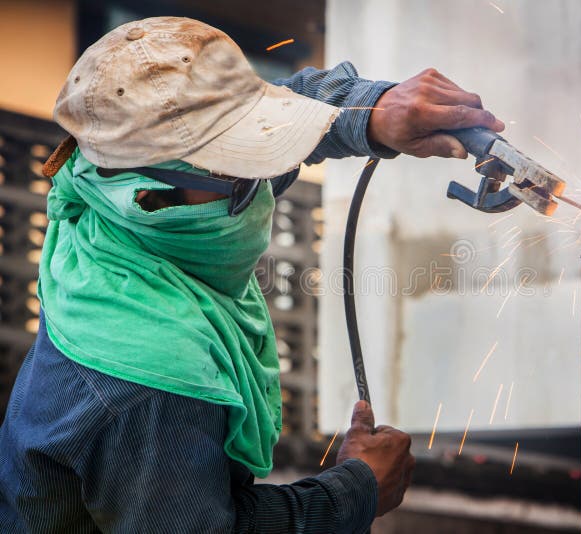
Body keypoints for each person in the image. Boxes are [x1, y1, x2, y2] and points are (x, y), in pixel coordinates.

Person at [0, 16, 504, 533]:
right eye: (241, 178)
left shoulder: (104, 197)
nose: (261, 187)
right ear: (152, 201)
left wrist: (373, 111)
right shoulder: (154, 383)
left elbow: (260, 118)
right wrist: (356, 489)